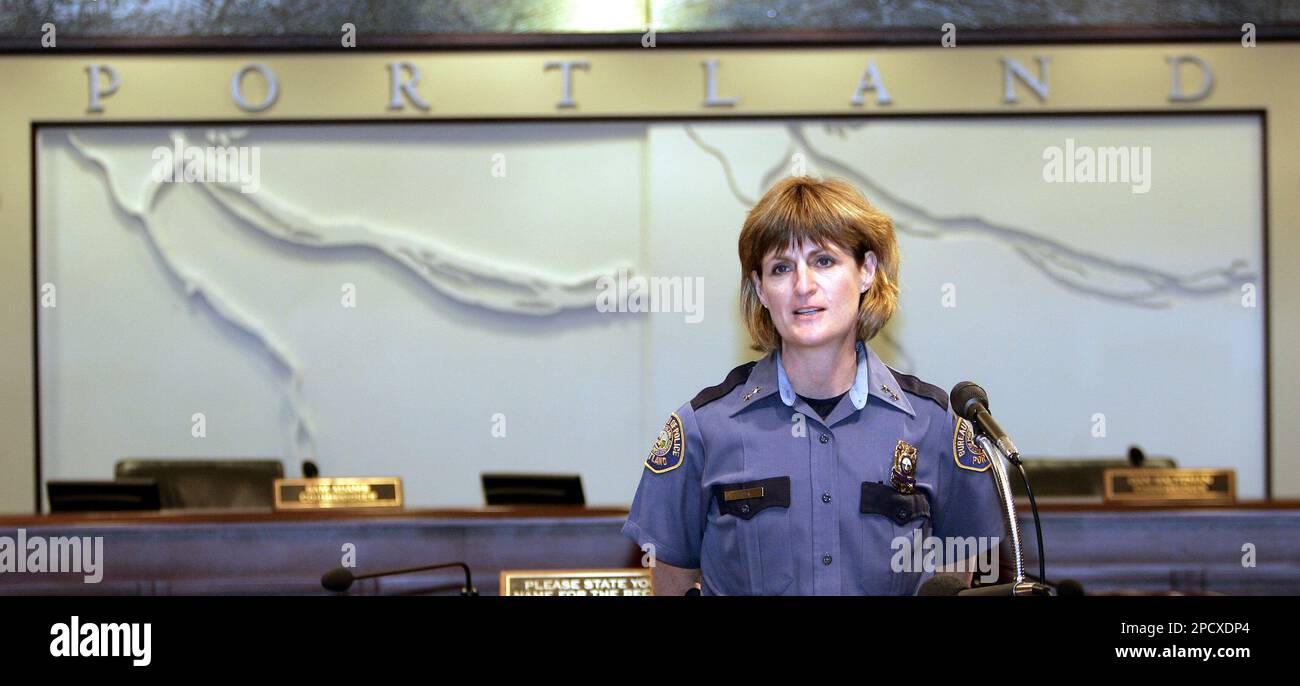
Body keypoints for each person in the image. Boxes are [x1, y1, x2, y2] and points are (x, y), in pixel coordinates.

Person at [622, 176, 1006, 595]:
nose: (803, 285)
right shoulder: (702, 431)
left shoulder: (936, 427)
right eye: (781, 268)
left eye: (824, 261)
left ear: (867, 272)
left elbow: (957, 581)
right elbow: (671, 584)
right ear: (761, 290)